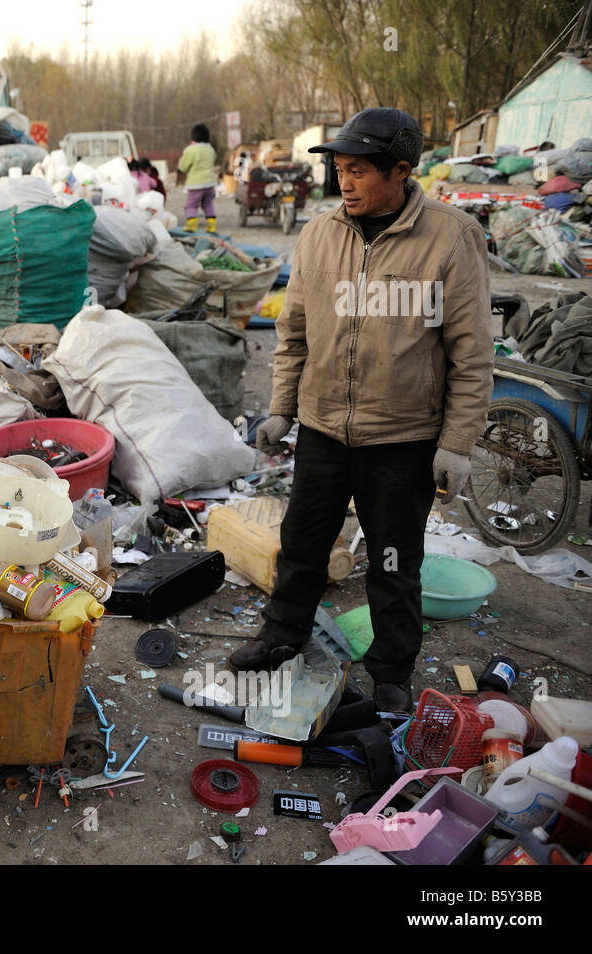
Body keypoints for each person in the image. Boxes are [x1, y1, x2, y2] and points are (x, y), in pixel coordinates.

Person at [231, 108, 492, 713]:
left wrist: (457, 443)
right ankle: (281, 635)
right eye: (341, 171)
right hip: (324, 428)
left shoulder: (451, 238)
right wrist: (281, 411)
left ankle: (392, 668)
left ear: (401, 171)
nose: (344, 183)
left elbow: (472, 352)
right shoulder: (319, 235)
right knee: (302, 543)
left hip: (403, 437)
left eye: (359, 172)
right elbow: (293, 334)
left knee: (394, 562)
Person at [177, 124, 218, 233]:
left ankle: (192, 225)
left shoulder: (190, 150)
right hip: (210, 184)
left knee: (190, 205)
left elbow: (183, 167)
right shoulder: (211, 149)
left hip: (196, 184)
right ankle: (212, 226)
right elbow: (213, 159)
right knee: (208, 204)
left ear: (193, 136)